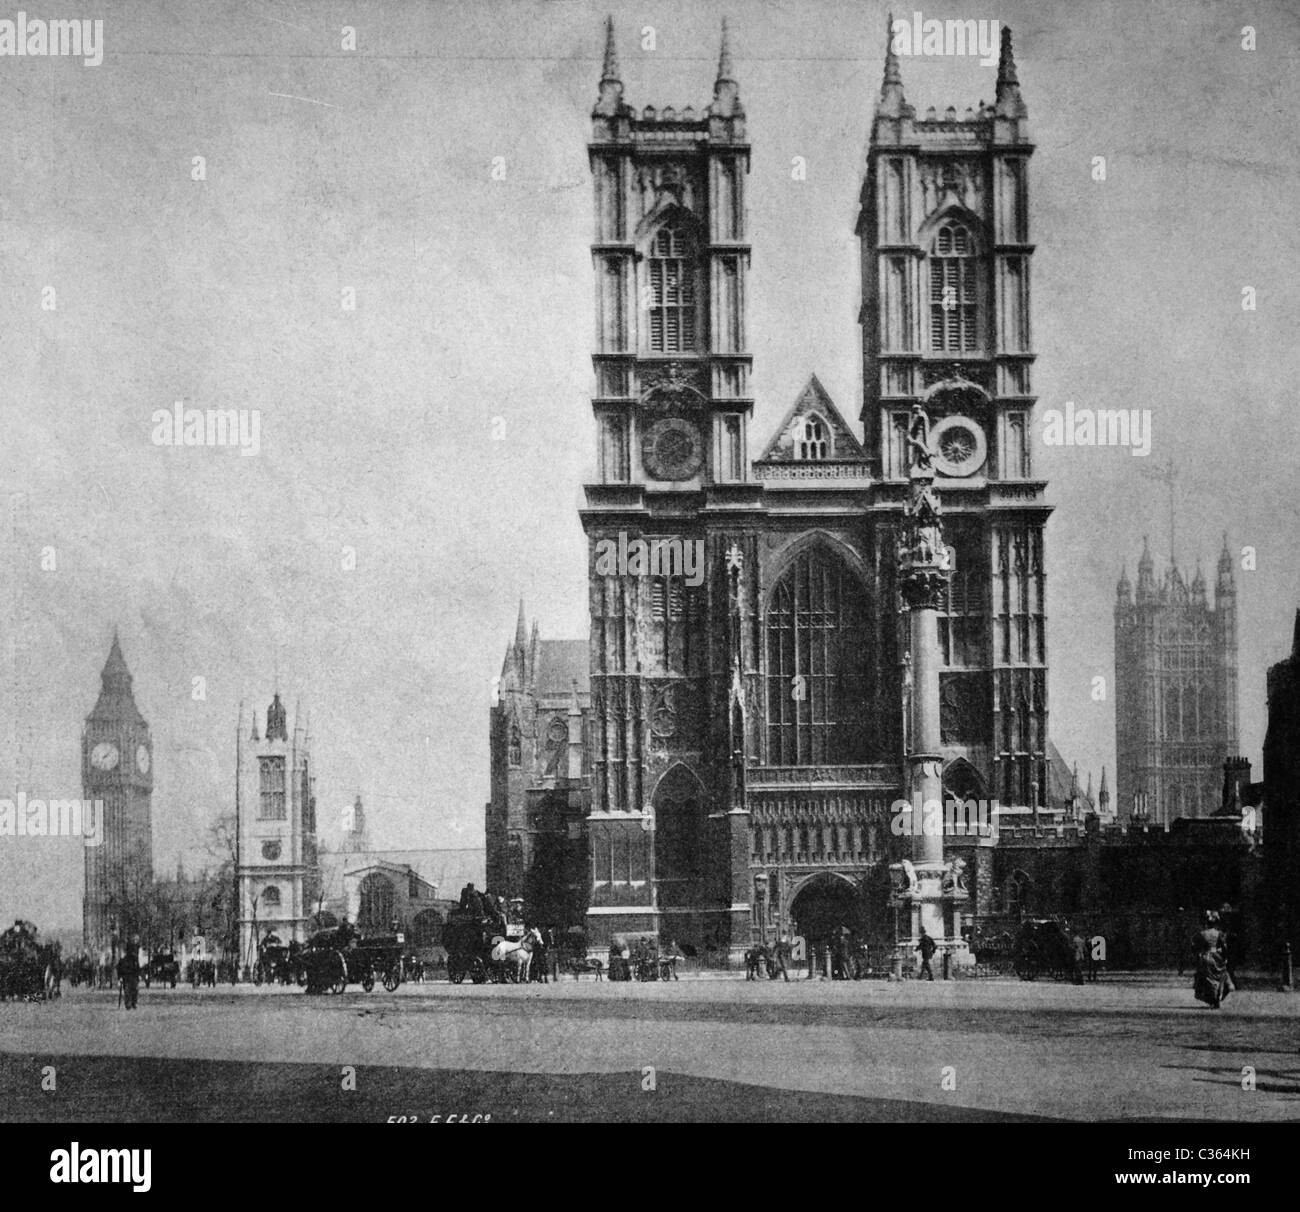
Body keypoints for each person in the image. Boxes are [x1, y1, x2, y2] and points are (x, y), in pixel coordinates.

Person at [1192, 912, 1230, 1009]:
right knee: (1220, 977)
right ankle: (1217, 998)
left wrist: (1198, 955)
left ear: (1206, 924)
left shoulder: (1201, 934)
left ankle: (1212, 999)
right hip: (1216, 957)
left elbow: (1194, 946)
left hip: (1205, 957)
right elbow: (1224, 947)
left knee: (1207, 979)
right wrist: (1225, 958)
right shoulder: (1218, 934)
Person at [117, 941, 141, 1010]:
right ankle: (128, 1004)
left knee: (134, 990)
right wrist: (120, 977)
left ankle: (133, 1003)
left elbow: (137, 967)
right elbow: (120, 968)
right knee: (127, 990)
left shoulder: (135, 959)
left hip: (133, 976)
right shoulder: (123, 959)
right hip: (126, 976)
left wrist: (138, 974)